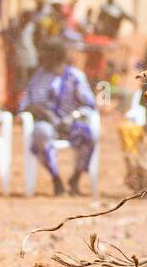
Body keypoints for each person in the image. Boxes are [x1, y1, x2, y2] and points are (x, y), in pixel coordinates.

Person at [21, 40, 97, 196]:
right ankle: (56, 178)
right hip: (47, 124)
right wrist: (43, 113)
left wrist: (72, 117)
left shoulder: (75, 76)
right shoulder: (38, 77)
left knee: (89, 135)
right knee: (41, 134)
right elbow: (26, 104)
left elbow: (89, 104)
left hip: (71, 123)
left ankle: (76, 178)